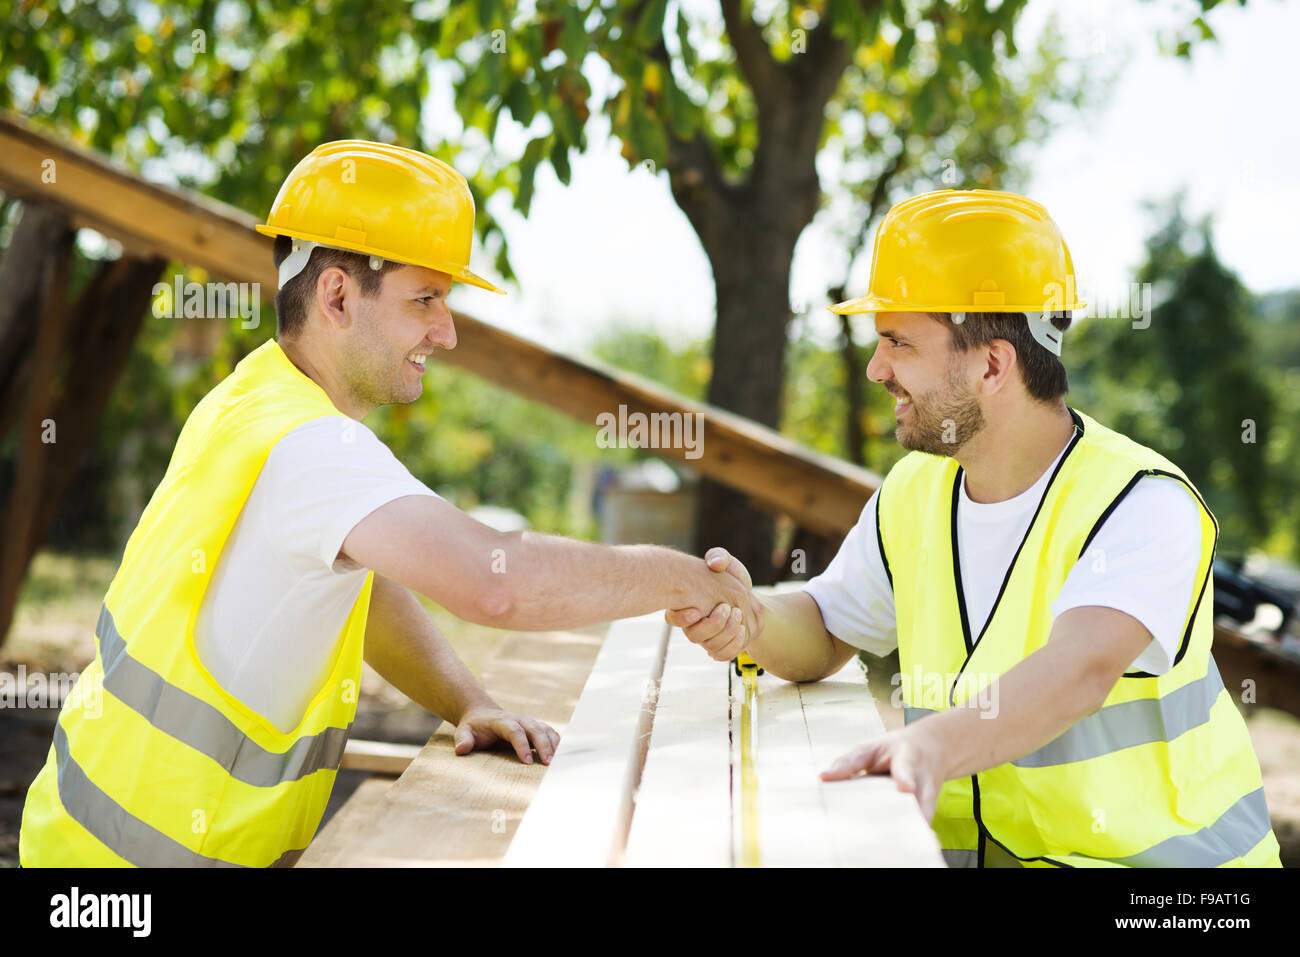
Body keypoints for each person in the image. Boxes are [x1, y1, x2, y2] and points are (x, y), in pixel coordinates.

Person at [20, 140, 758, 867]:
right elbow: (496, 582)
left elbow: (358, 593)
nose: (447, 330)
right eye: (425, 299)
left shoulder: (256, 395)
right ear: (338, 295)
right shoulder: (311, 446)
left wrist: (467, 700)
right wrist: (686, 579)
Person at [671, 189, 1282, 868]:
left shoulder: (1142, 503)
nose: (877, 369)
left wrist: (928, 746)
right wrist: (750, 615)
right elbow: (825, 624)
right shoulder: (914, 492)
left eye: (898, 341)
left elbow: (1078, 671)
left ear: (993, 364)